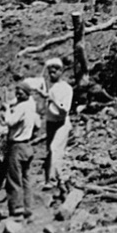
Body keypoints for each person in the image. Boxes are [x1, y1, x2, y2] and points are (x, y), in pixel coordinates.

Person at [2, 81, 41, 219]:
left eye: (21, 92)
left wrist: (6, 109)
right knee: (26, 179)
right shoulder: (30, 104)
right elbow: (16, 101)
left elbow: (10, 122)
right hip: (27, 146)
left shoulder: (21, 107)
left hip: (17, 146)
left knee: (14, 178)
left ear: (26, 94)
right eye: (17, 92)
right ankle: (28, 207)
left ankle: (17, 208)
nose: (18, 95)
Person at [41, 57, 74, 196]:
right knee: (50, 151)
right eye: (50, 72)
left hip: (62, 123)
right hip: (51, 122)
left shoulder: (66, 88)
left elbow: (64, 110)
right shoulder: (50, 86)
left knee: (56, 149)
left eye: (54, 71)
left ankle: (56, 181)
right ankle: (50, 179)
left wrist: (52, 98)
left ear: (61, 71)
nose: (51, 74)